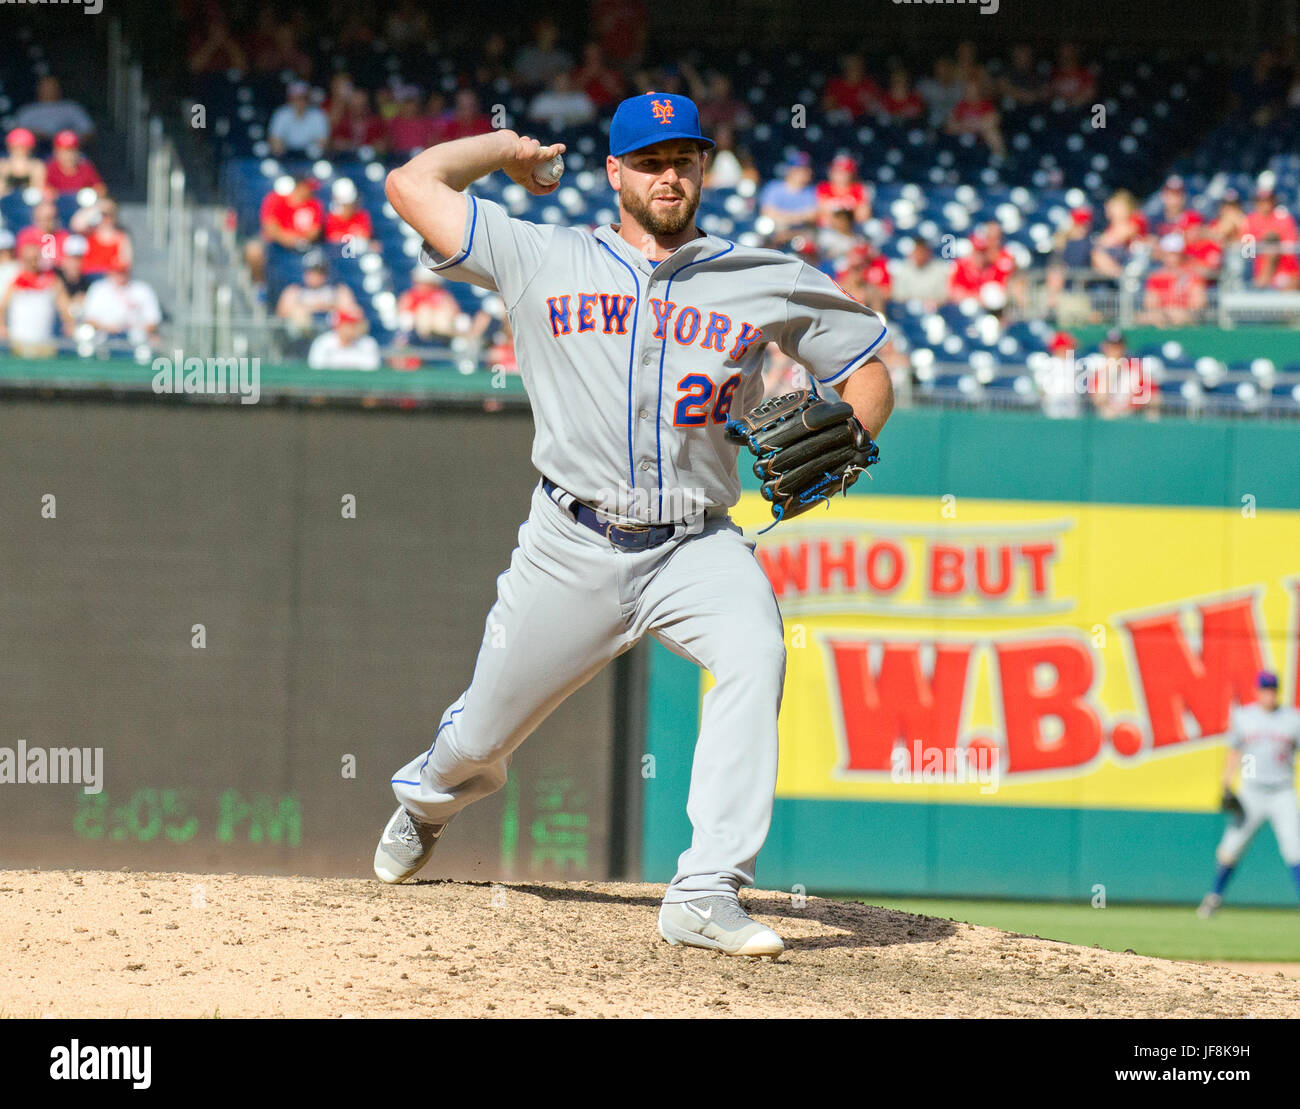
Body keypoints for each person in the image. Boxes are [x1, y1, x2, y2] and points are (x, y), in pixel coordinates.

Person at [376, 91, 894, 958]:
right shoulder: (542, 253)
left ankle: (705, 889)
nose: (669, 174)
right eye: (649, 160)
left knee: (756, 649)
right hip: (570, 543)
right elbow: (411, 182)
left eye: (684, 158)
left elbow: (868, 367)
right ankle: (426, 802)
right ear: (614, 171)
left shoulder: (764, 274)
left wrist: (855, 428)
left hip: (696, 540)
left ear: (705, 169)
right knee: (478, 736)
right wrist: (505, 147)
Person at [1198, 672, 1300, 918]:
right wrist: (1226, 784)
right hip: (1251, 791)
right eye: (1265, 689)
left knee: (1295, 850)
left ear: (1277, 690)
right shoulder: (1244, 717)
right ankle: (1214, 897)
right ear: (1257, 690)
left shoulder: (1292, 719)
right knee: (1230, 848)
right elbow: (1234, 751)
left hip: (1282, 791)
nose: (1269, 693)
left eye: (1272, 689)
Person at [0, 227, 74, 358]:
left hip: (44, 343)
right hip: (19, 342)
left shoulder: (51, 279)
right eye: (29, 259)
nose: (33, 263)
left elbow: (65, 307)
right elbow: (3, 306)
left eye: (35, 258)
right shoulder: (15, 279)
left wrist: (69, 323)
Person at [82, 261, 163, 343]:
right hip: (104, 339)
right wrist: (108, 328)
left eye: (123, 272)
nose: (120, 276)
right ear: (110, 272)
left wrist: (134, 328)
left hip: (134, 340)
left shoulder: (142, 289)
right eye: (117, 272)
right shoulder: (98, 289)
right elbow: (89, 318)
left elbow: (153, 320)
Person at [13, 76, 94, 143]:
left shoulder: (71, 108)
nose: (48, 90)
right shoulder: (28, 110)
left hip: (66, 151)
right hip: (35, 153)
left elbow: (88, 132)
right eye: (45, 87)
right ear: (38, 89)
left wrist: (66, 138)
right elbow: (16, 135)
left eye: (52, 87)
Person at [758, 154, 818, 244]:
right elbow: (767, 213)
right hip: (775, 231)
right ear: (791, 170)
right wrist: (798, 217)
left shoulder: (811, 191)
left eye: (807, 169)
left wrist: (785, 218)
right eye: (800, 169)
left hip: (799, 234)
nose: (806, 172)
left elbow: (812, 216)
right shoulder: (774, 187)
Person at [268, 82, 330, 160]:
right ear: (290, 99)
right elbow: (275, 141)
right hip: (286, 158)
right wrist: (281, 151)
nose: (299, 102)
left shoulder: (318, 115)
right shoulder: (281, 114)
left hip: (312, 158)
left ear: (308, 99)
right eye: (296, 98)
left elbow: (323, 142)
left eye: (303, 98)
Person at [307, 305, 381, 369]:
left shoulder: (368, 344)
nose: (355, 328)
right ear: (340, 326)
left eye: (356, 324)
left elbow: (372, 370)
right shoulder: (323, 343)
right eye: (350, 324)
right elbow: (316, 370)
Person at [890, 237, 950, 307]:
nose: (919, 255)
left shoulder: (940, 268)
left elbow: (943, 295)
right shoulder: (904, 268)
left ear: (928, 252)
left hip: (933, 307)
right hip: (907, 308)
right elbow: (898, 295)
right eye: (917, 252)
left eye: (922, 252)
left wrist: (931, 302)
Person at [44, 130, 105, 196]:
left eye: (71, 151)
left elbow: (100, 188)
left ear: (77, 151)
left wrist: (90, 193)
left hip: (81, 204)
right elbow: (44, 189)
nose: (68, 155)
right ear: (56, 152)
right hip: (57, 203)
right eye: (64, 151)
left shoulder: (84, 167)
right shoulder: (51, 167)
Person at [815, 155, 871, 226]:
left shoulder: (858, 188)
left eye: (844, 172)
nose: (840, 175)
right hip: (828, 228)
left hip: (851, 229)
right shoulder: (823, 187)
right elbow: (821, 213)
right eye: (836, 171)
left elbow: (863, 215)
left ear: (851, 174)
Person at [0, 128, 46, 196]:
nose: (18, 151)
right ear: (9, 148)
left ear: (29, 149)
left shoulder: (36, 166)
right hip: (6, 202)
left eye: (22, 148)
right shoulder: (3, 165)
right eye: (15, 148)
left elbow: (37, 193)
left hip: (28, 203)